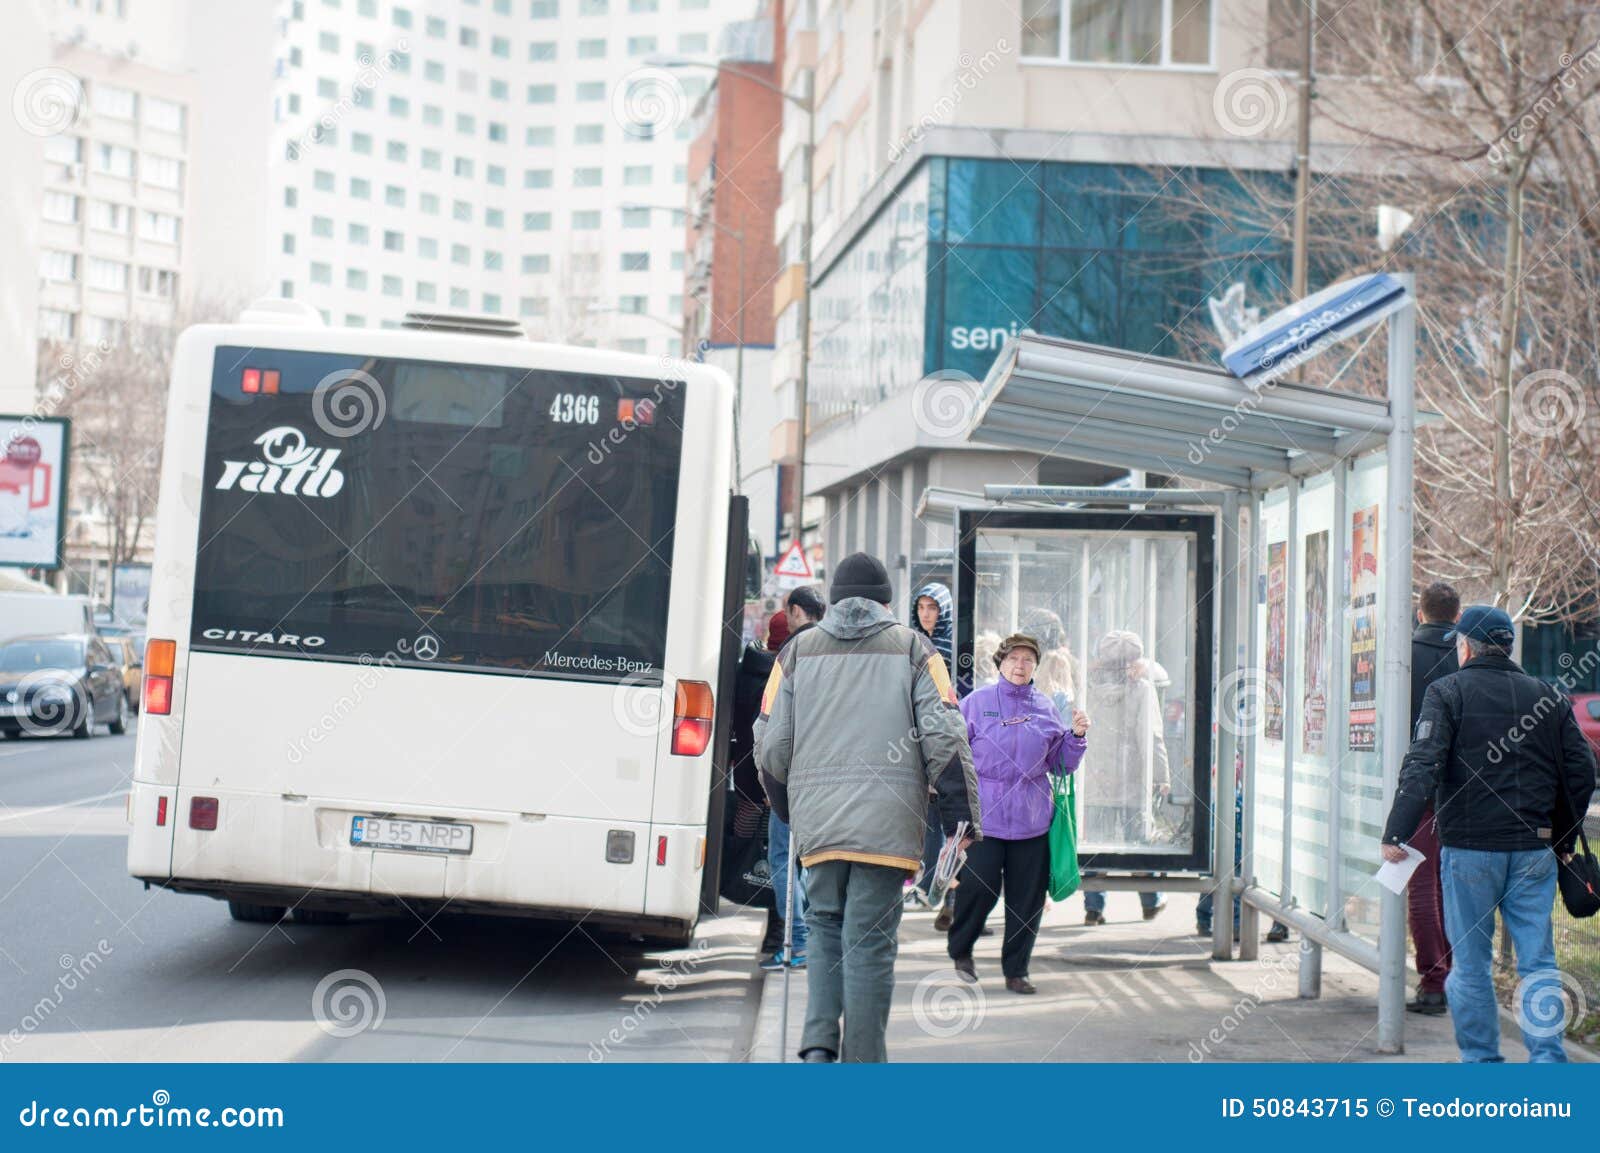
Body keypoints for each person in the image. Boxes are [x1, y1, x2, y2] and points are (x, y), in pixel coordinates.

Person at [755, 552, 981, 1063]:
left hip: (820, 826)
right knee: (871, 943)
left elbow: (769, 743)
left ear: (833, 598)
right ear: (886, 602)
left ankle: (816, 1047)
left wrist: (789, 807)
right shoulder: (915, 650)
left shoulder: (795, 653)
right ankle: (862, 1065)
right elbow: (945, 735)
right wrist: (959, 820)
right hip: (888, 827)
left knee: (825, 926)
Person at [1381, 605, 1595, 1064]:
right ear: (1508, 645)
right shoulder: (1548, 696)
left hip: (1470, 851)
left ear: (1464, 646)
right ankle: (1548, 1062)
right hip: (1533, 850)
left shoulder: (1447, 692)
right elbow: (1583, 769)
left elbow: (1423, 763)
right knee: (1538, 962)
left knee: (1472, 964)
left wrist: (1398, 831)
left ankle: (1481, 1064)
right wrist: (1557, 831)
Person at [948, 633, 1088, 994]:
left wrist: (1075, 738)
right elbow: (954, 753)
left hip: (1032, 820)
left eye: (1027, 660)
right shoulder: (977, 703)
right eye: (1013, 659)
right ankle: (961, 950)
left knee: (1027, 901)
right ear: (1000, 663)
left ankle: (1017, 970)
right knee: (978, 889)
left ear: (1035, 667)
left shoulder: (1044, 708)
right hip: (987, 819)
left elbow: (1060, 765)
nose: (1020, 666)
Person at [1082, 630, 1169, 923]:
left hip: (1095, 780)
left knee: (1094, 845)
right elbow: (1152, 736)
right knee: (1138, 843)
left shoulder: (1088, 687)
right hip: (1133, 780)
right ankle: (1150, 901)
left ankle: (1093, 908)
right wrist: (1161, 775)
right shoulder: (1142, 689)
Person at [761, 589, 823, 971]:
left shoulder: (791, 654)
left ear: (796, 612)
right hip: (826, 779)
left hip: (792, 776)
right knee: (813, 860)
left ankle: (797, 941)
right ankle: (812, 941)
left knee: (784, 858)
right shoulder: (836, 650)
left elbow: (772, 722)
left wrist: (770, 777)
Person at [1405, 580, 1460, 1015]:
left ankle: (1434, 981)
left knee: (1422, 884)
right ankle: (1456, 977)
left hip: (1417, 784)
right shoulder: (1468, 658)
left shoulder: (1401, 657)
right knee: (1454, 884)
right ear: (1456, 616)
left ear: (1420, 613)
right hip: (1464, 790)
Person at [729, 610, 787, 954]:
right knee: (778, 856)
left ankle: (734, 889)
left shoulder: (745, 669)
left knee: (746, 846)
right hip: (774, 782)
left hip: (746, 779)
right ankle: (776, 931)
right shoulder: (782, 677)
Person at [906, 582, 955, 917]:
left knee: (944, 816)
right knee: (923, 816)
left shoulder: (951, 648)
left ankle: (945, 893)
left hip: (944, 737)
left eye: (933, 607)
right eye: (921, 607)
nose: (926, 614)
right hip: (911, 738)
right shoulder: (908, 643)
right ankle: (931, 888)